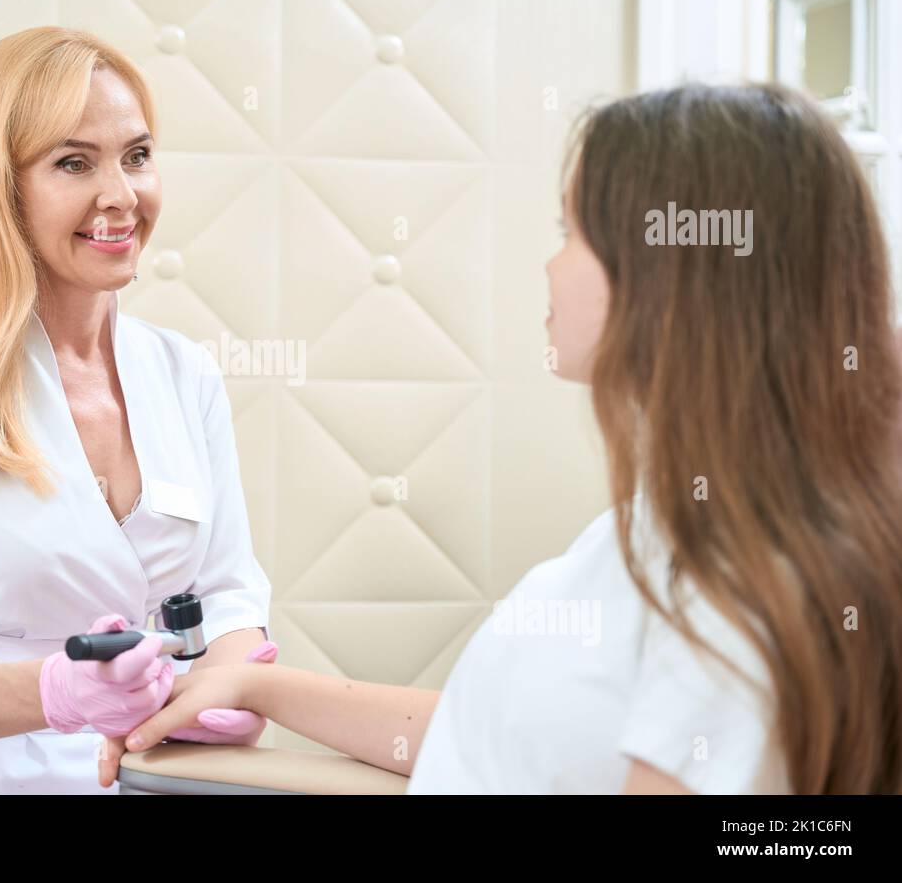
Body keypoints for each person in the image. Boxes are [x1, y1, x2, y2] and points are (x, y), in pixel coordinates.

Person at [112, 83, 902, 794]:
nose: (551, 265)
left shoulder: (735, 590)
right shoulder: (657, 530)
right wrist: (256, 687)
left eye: (572, 230)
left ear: (671, 271)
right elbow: (505, 739)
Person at [0, 27, 273, 794]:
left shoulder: (185, 374)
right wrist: (57, 692)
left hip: (152, 773)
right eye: (74, 163)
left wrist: (232, 684)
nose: (121, 197)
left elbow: (229, 592)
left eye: (136, 156)